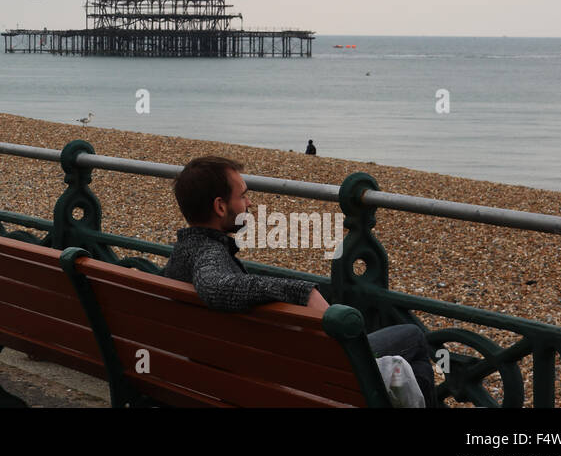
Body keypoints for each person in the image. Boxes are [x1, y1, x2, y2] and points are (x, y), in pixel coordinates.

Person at [163, 155, 437, 406]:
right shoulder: (209, 255)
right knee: (413, 336)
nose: (250, 204)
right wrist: (301, 291)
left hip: (220, 378)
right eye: (243, 196)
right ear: (220, 207)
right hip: (285, 377)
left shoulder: (182, 255)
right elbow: (215, 286)